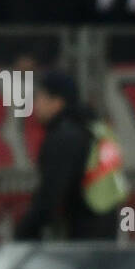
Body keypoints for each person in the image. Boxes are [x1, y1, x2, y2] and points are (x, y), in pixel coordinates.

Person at [15, 70, 117, 240]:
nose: (35, 105)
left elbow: (49, 197)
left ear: (57, 102)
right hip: (104, 235)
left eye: (40, 98)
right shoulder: (93, 130)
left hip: (80, 241)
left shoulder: (64, 137)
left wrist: (23, 234)